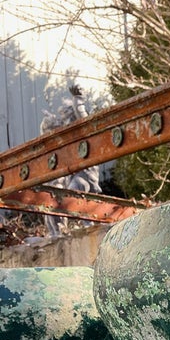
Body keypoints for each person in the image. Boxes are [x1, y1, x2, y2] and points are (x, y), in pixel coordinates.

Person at [40, 83, 101, 238]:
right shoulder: (62, 146)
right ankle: (58, 232)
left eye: (69, 118)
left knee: (73, 191)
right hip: (71, 177)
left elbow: (83, 119)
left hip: (86, 176)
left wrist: (78, 100)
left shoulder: (82, 133)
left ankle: (85, 222)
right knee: (53, 198)